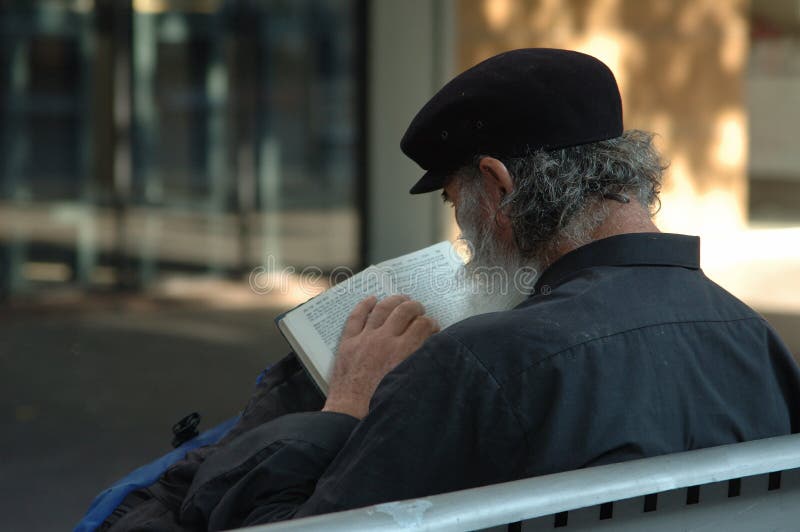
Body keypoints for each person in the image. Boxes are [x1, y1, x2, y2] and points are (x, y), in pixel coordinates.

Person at [101, 48, 800, 531]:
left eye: (457, 202)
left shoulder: (481, 362)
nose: (466, 236)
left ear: (498, 186)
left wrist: (345, 406)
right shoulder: (752, 338)